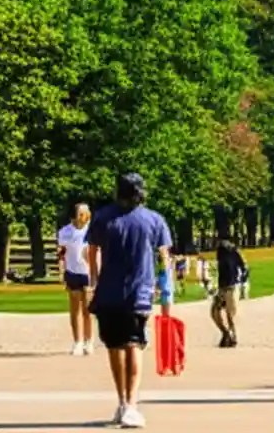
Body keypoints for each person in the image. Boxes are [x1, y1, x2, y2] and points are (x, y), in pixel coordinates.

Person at [86, 173, 174, 429]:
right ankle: (131, 404)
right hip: (140, 292)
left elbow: (92, 250)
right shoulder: (154, 220)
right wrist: (166, 292)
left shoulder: (103, 217)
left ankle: (123, 401)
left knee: (115, 347)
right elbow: (163, 257)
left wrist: (94, 280)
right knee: (134, 345)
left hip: (109, 291)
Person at [58, 203, 94, 356]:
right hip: (72, 271)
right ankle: (77, 341)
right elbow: (61, 252)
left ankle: (88, 340)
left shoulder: (91, 231)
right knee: (75, 308)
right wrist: (61, 271)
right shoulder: (65, 232)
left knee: (87, 308)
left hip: (87, 273)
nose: (84, 216)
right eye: (81, 213)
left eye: (86, 213)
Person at [211, 240, 247, 348]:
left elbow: (244, 267)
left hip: (233, 286)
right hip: (222, 287)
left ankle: (233, 335)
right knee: (214, 312)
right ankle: (226, 332)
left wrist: (242, 281)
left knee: (230, 314)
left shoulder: (235, 252)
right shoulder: (220, 255)